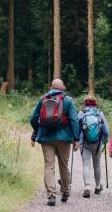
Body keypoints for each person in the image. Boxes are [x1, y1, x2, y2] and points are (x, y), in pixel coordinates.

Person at [29, 79, 80, 207]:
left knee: (49, 166)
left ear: (51, 87)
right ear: (62, 87)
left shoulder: (43, 99)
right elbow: (74, 120)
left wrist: (36, 132)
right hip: (64, 138)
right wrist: (76, 138)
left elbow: (33, 118)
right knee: (64, 165)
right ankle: (65, 191)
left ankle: (51, 195)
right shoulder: (68, 100)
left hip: (46, 138)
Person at [77, 94, 109, 198]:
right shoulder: (99, 113)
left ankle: (87, 187)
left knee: (86, 164)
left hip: (85, 142)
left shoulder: (81, 113)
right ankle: (97, 186)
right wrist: (105, 140)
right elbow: (106, 130)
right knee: (97, 164)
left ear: (85, 103)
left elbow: (77, 128)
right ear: (95, 103)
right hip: (97, 143)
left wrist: (76, 140)